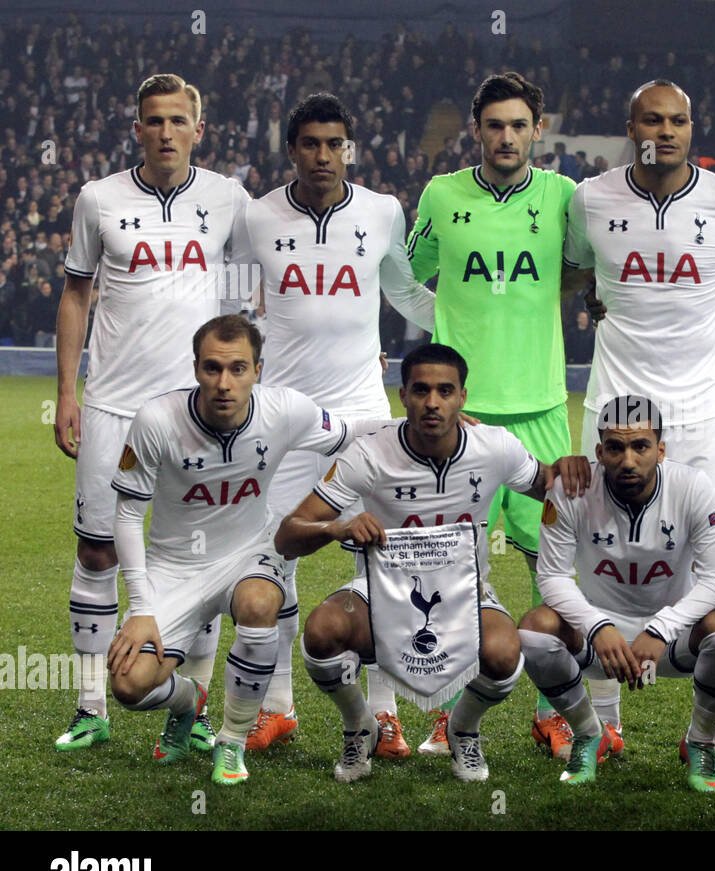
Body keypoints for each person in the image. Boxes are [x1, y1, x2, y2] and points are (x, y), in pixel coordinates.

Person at [274, 344, 587, 783]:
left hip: (466, 593)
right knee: (323, 631)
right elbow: (288, 534)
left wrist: (568, 467)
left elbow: (548, 483)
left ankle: (464, 728)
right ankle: (358, 723)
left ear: (462, 396)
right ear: (403, 395)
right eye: (421, 390)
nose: (433, 402)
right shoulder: (369, 455)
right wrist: (337, 529)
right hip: (380, 594)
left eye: (445, 391)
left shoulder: (494, 447)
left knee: (503, 651)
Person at [231, 92, 437, 759]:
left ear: (349, 147)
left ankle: (383, 714)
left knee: (379, 561)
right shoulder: (256, 216)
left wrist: (478, 325)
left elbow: (405, 292)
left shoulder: (382, 211)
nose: (324, 155)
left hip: (363, 411)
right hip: (286, 419)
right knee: (274, 560)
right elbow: (233, 304)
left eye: (336, 143)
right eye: (312, 143)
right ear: (292, 148)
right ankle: (278, 707)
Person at [560, 79, 715, 758]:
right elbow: (578, 274)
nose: (666, 131)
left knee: (709, 561)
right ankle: (605, 723)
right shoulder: (589, 198)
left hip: (703, 409)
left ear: (693, 126)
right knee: (600, 556)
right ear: (631, 124)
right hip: (614, 407)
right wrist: (596, 298)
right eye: (653, 119)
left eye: (679, 119)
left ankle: (706, 730)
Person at [53, 73, 250, 754]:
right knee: (97, 549)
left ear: (199, 128)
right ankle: (89, 705)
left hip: (197, 413)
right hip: (111, 404)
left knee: (195, 555)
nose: (165, 131)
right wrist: (69, 392)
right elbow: (76, 297)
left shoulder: (228, 198)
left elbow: (253, 297)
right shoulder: (97, 199)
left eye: (176, 120)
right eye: (152, 121)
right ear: (136, 128)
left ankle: (190, 709)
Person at [407, 73, 578, 758]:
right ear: (475, 129)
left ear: (538, 129)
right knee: (448, 569)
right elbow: (404, 271)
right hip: (461, 418)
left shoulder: (565, 198)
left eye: (518, 125)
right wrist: (448, 322)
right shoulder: (442, 195)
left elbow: (586, 269)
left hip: (541, 411)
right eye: (494, 125)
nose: (507, 137)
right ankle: (446, 716)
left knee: (555, 569)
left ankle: (553, 710)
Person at [107, 315, 350, 786]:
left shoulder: (286, 410)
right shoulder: (156, 420)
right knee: (129, 686)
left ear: (258, 369)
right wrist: (139, 608)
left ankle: (232, 741)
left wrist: (420, 424)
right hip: (173, 569)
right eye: (212, 368)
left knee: (260, 604)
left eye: (238, 369)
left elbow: (351, 431)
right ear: (195, 368)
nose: (224, 383)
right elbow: (126, 515)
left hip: (249, 556)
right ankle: (188, 702)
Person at [520, 395, 715, 791]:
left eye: (640, 446)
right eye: (615, 447)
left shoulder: (693, 488)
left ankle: (701, 741)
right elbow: (552, 576)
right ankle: (590, 734)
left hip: (671, 638)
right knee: (535, 630)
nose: (628, 460)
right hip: (599, 638)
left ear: (660, 450)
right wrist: (596, 625)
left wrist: (661, 628)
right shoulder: (573, 490)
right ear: (599, 452)